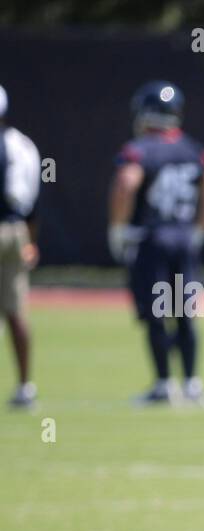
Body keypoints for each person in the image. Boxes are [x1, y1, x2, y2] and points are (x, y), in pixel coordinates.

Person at [109, 81, 204, 405]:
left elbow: (125, 183)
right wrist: (200, 230)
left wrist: (117, 228)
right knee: (185, 311)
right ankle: (192, 384)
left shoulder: (140, 149)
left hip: (153, 238)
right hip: (184, 239)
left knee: (156, 312)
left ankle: (164, 384)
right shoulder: (194, 150)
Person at [0, 84, 41, 408]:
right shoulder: (23, 145)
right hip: (16, 230)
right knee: (15, 311)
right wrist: (30, 240)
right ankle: (25, 387)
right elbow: (30, 200)